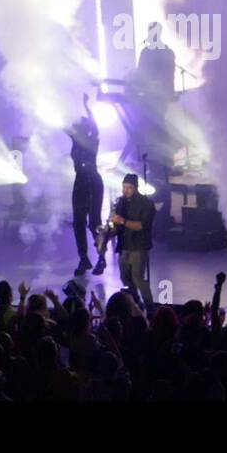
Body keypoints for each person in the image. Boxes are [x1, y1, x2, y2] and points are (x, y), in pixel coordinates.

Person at [97, 173, 155, 309]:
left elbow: (141, 225)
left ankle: (150, 307)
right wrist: (106, 234)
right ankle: (136, 302)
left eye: (129, 187)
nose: (125, 191)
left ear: (136, 187)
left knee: (138, 278)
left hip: (139, 246)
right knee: (125, 278)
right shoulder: (120, 202)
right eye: (124, 187)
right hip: (124, 245)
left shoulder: (146, 204)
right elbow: (116, 226)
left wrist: (122, 221)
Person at [68, 93, 103, 276]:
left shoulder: (92, 140)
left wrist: (86, 106)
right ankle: (83, 258)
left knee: (94, 223)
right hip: (80, 182)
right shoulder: (75, 141)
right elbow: (64, 125)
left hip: (92, 182)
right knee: (77, 224)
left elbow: (95, 128)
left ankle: (101, 258)